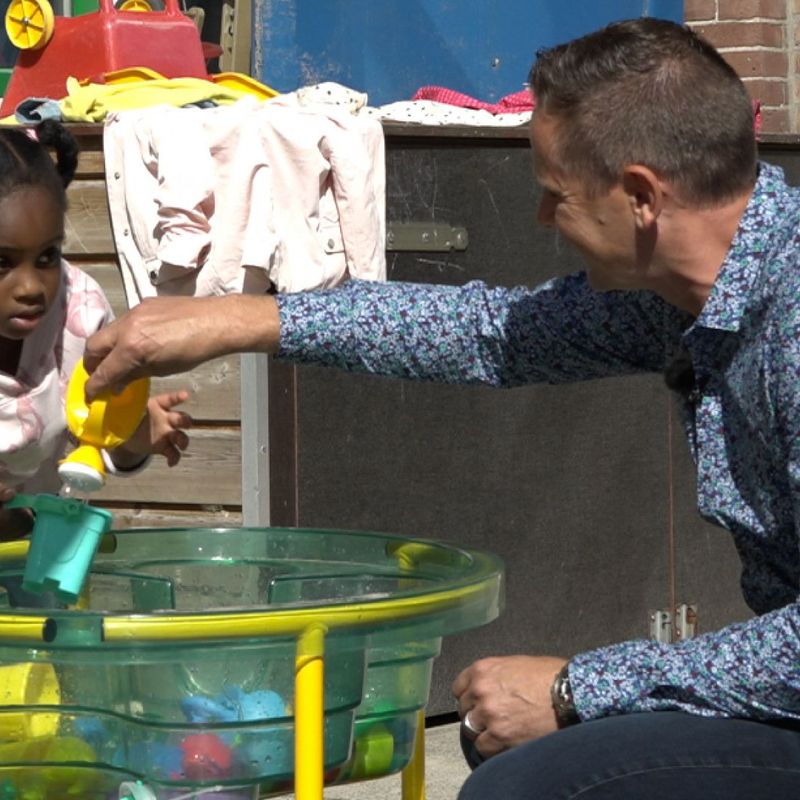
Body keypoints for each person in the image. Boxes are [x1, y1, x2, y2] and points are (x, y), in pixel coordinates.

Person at [82, 17, 800, 799]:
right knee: (508, 744)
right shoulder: (690, 293)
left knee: (524, 784)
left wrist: (577, 687)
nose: (539, 220)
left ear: (639, 197)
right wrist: (243, 319)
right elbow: (492, 334)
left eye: (554, 196)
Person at [0, 120, 192, 546]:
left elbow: (91, 447)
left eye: (47, 256)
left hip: (37, 561)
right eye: (2, 263)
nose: (31, 287)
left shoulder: (79, 317)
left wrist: (131, 437)